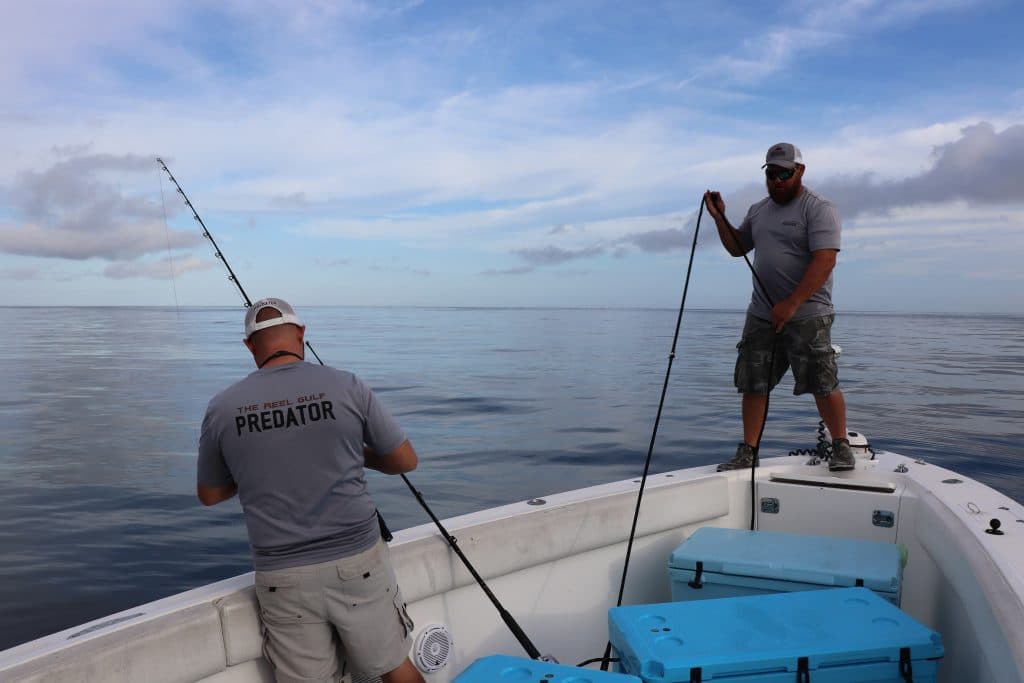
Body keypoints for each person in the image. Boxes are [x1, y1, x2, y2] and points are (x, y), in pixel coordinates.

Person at [197, 297, 426, 683]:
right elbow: (405, 461)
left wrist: (256, 471)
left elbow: (209, 494)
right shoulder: (347, 385)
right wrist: (356, 453)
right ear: (301, 333)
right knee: (394, 669)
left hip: (282, 574)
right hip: (359, 560)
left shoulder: (222, 407)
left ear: (249, 346)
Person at [703, 143, 855, 473]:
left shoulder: (819, 208)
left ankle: (841, 445)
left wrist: (792, 303)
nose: (776, 180)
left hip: (809, 314)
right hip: (762, 314)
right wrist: (720, 218)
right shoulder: (758, 210)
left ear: (800, 171)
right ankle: (748, 451)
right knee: (753, 383)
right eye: (771, 174)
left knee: (822, 382)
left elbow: (825, 260)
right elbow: (738, 247)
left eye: (784, 174)